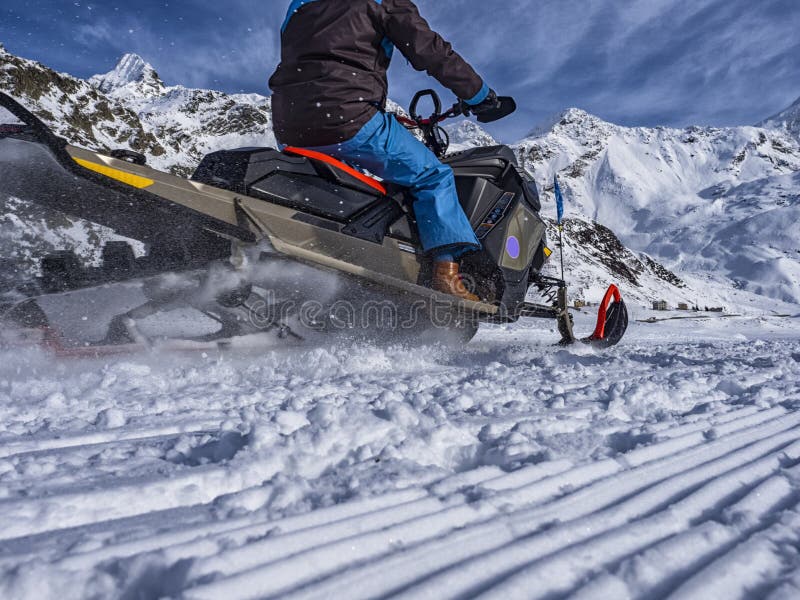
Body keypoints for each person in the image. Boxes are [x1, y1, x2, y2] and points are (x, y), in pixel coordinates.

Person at [269, 0, 503, 301]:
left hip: (290, 123)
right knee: (433, 175)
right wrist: (480, 95)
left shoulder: (299, 4)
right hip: (348, 116)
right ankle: (445, 275)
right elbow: (430, 50)